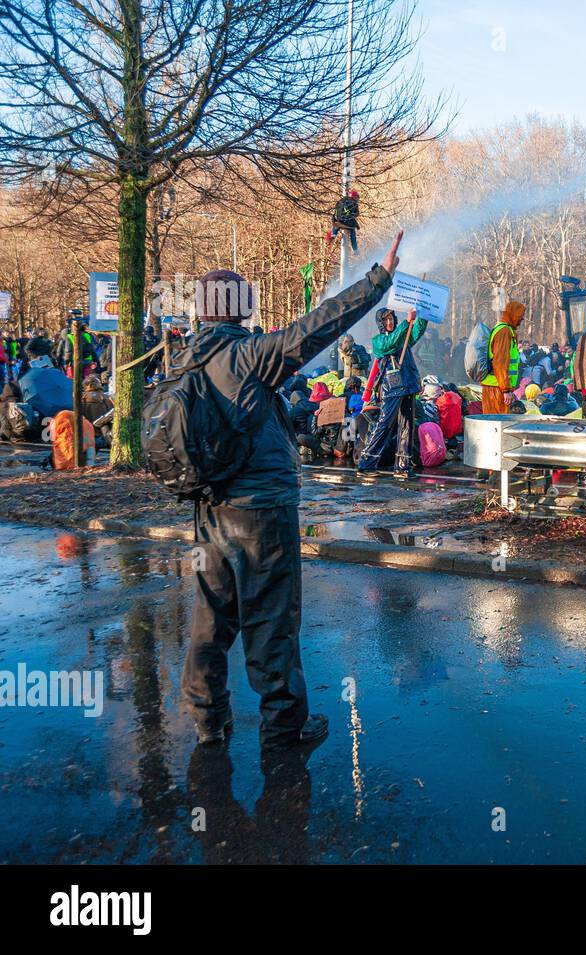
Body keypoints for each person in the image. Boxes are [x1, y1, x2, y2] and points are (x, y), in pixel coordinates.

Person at [181, 231, 403, 750]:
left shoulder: (185, 359)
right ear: (240, 311)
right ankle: (284, 727)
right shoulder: (248, 355)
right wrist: (378, 279)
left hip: (209, 509)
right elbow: (319, 326)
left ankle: (207, 722)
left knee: (211, 617)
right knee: (272, 619)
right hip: (261, 512)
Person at [357, 306, 427, 477]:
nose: (390, 322)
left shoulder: (402, 335)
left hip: (408, 386)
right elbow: (392, 343)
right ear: (380, 323)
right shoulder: (378, 341)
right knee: (385, 424)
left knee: (407, 426)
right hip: (392, 388)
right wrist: (407, 321)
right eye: (386, 320)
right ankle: (367, 463)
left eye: (391, 319)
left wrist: (423, 315)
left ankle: (403, 465)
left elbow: (416, 332)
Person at [482, 301, 525, 414]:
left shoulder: (503, 329)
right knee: (497, 424)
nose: (522, 320)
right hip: (497, 388)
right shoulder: (504, 332)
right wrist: (506, 390)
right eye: (520, 316)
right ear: (513, 315)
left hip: (497, 386)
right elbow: (500, 363)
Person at [329, 189, 360, 253]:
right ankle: (355, 249)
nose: (357, 199)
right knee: (352, 232)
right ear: (354, 197)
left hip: (338, 221)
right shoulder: (353, 203)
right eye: (356, 197)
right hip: (347, 223)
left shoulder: (342, 201)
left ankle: (333, 234)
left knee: (336, 225)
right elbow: (354, 214)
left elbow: (336, 211)